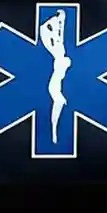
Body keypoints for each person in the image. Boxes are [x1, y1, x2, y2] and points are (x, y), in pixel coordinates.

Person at [39, 9, 72, 145]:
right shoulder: (59, 54)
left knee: (58, 105)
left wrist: (60, 21)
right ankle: (53, 130)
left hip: (54, 87)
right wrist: (61, 21)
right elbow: (59, 37)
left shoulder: (60, 55)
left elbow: (59, 37)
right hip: (54, 87)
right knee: (58, 104)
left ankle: (54, 130)